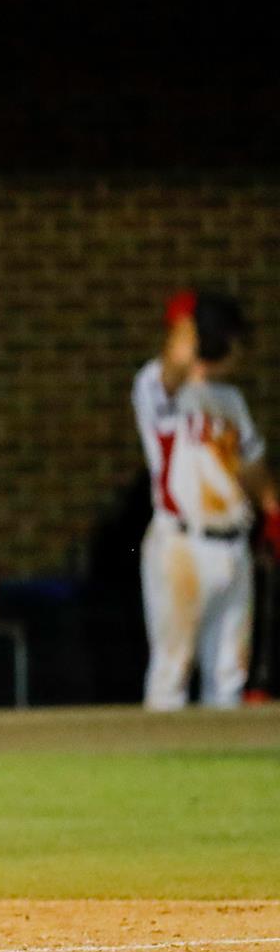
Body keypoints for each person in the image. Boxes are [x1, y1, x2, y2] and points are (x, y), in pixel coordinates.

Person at [133, 290, 280, 711]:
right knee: (172, 671)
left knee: (229, 676)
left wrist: (271, 508)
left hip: (233, 545)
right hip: (182, 543)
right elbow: (176, 365)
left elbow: (250, 464)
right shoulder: (157, 387)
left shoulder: (231, 401)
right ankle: (160, 772)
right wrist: (191, 321)